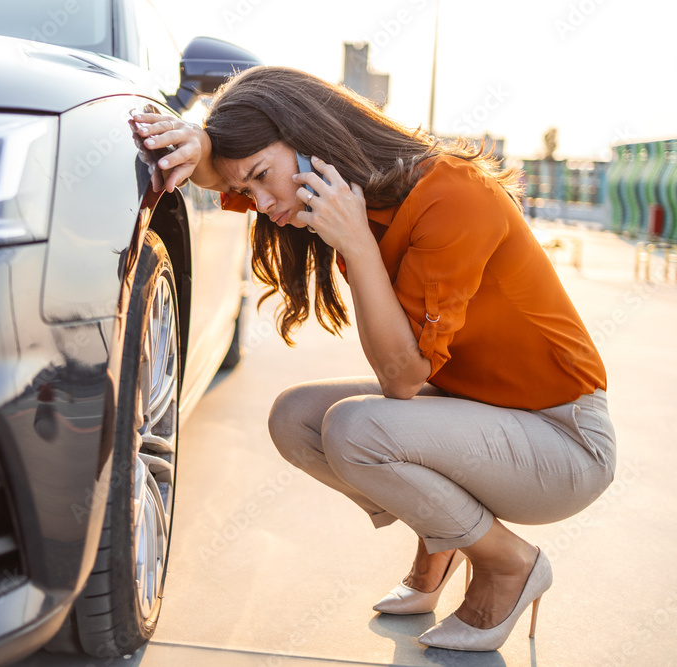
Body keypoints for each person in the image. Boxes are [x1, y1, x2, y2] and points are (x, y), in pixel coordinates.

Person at [132, 66, 615, 652]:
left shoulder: (453, 195)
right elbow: (216, 172)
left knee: (357, 429)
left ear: (313, 142)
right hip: (483, 413)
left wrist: (356, 244)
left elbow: (403, 379)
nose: (259, 204)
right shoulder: (346, 197)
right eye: (249, 188)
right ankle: (444, 541)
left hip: (564, 440)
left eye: (261, 178)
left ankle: (508, 562)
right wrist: (201, 138)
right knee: (295, 417)